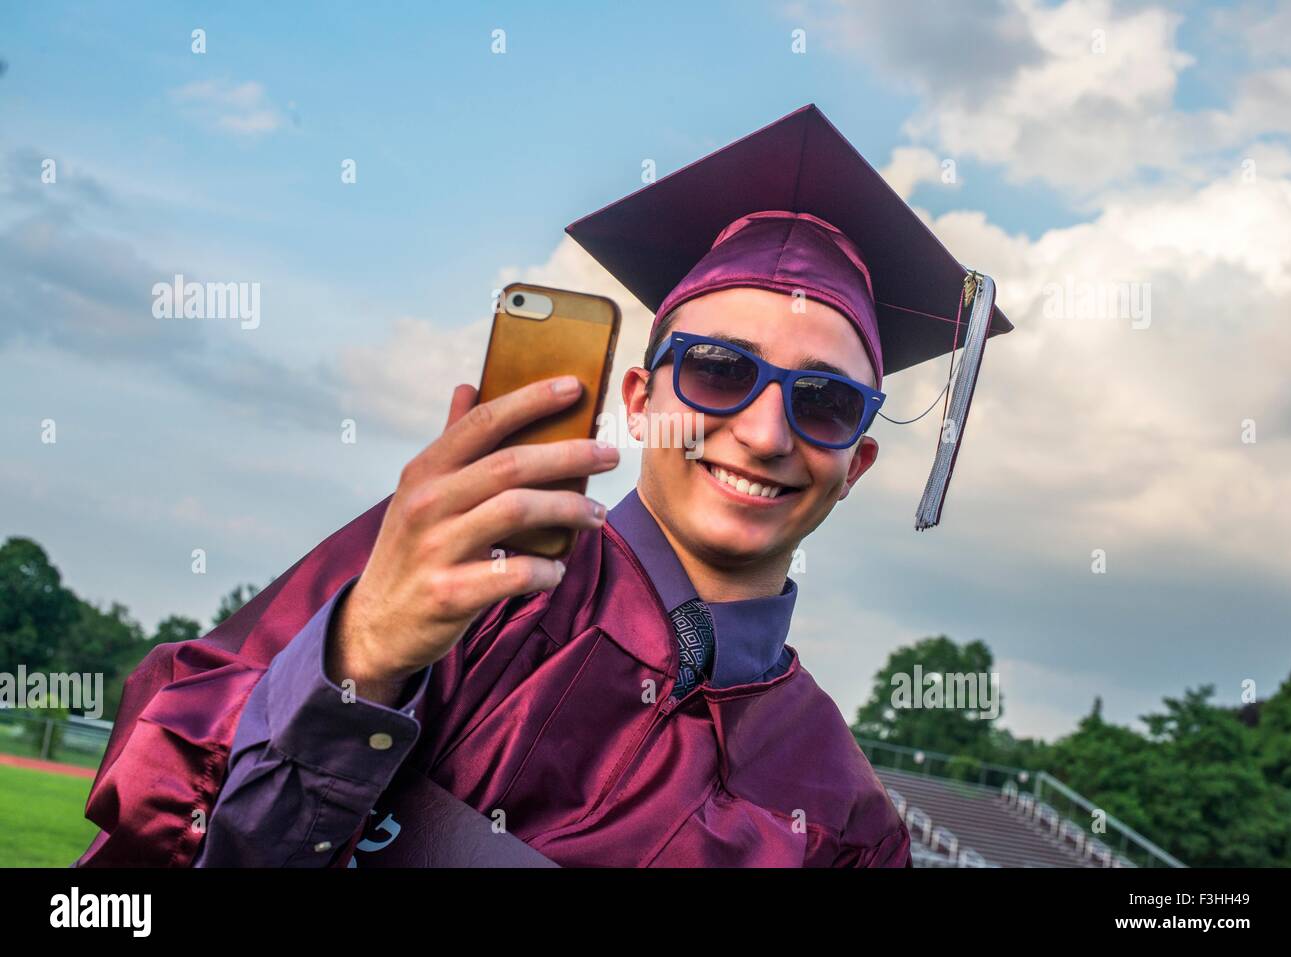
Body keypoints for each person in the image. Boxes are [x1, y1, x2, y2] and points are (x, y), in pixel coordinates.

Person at [76, 103, 1011, 868]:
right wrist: (361, 654)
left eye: (824, 400)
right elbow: (174, 833)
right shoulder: (458, 558)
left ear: (859, 462)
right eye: (720, 371)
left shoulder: (847, 821)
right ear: (641, 399)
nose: (766, 434)